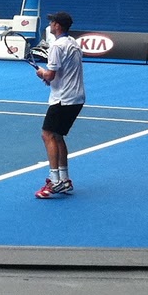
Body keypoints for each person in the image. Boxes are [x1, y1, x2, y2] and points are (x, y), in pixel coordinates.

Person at [34, 11, 85, 200]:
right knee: (58, 135)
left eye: (52, 22)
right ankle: (64, 179)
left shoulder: (56, 46)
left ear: (57, 26)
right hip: (76, 98)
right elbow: (64, 72)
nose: (50, 24)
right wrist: (51, 78)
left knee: (47, 135)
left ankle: (54, 181)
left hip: (63, 99)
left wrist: (42, 73)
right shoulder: (73, 43)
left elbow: (51, 75)